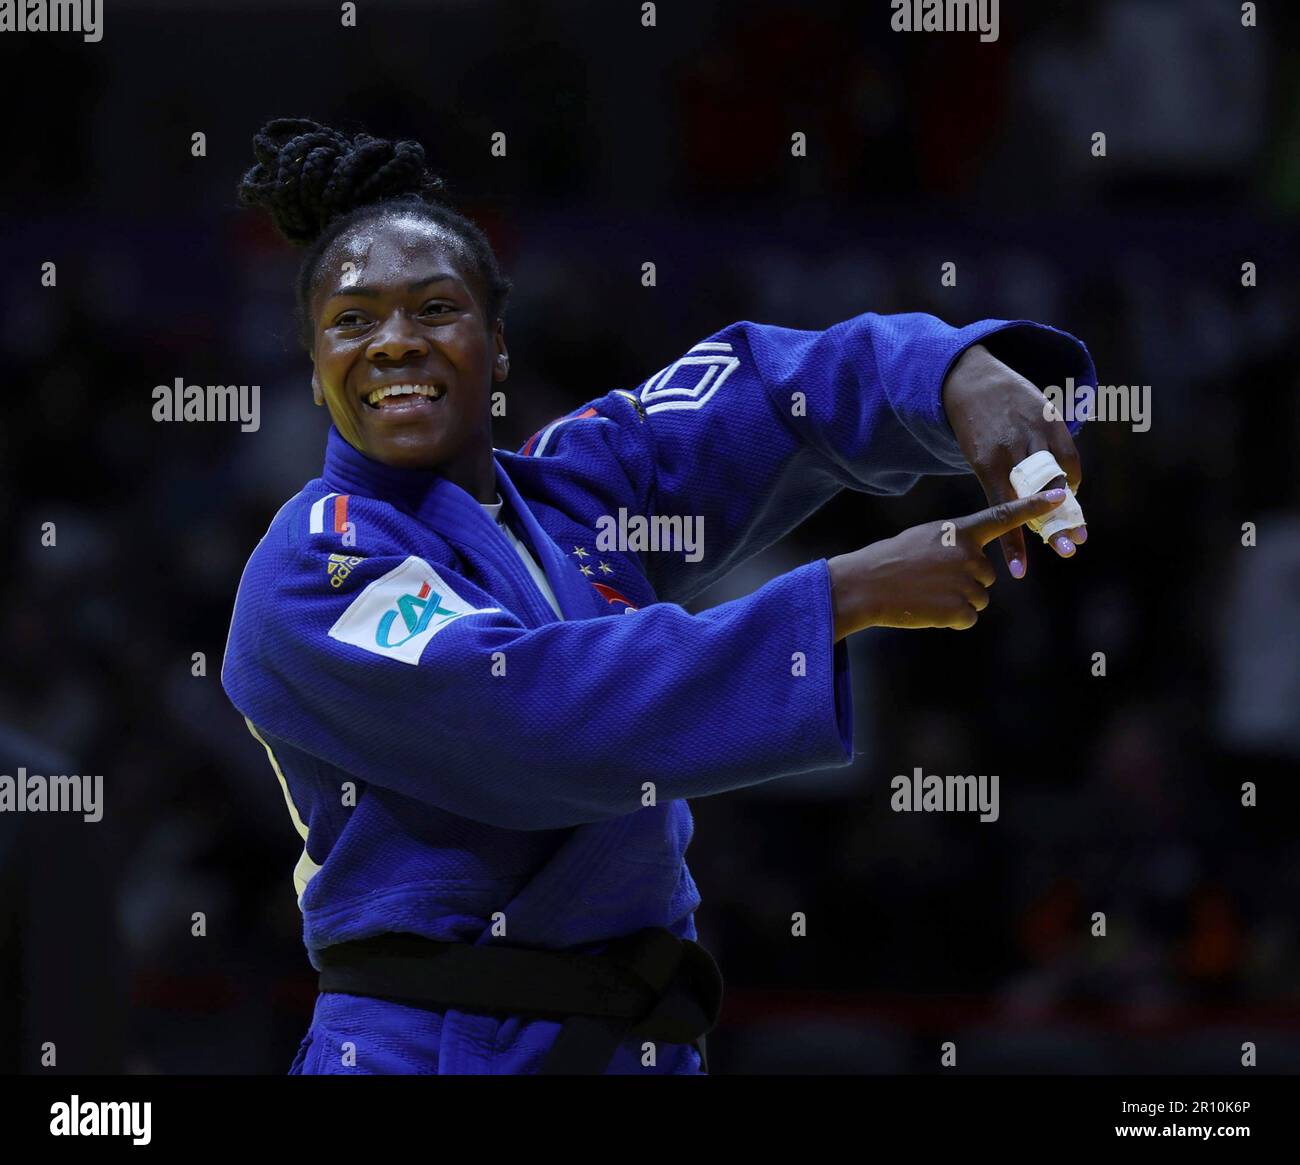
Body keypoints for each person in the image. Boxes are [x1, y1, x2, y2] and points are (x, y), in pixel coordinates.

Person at [221, 117, 1093, 1075]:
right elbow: (537, 714)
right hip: (428, 1049)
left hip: (630, 1045)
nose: (394, 343)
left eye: (434, 308)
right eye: (353, 320)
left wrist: (953, 374)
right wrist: (842, 595)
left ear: (498, 346)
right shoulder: (314, 567)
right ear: (313, 368)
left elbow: (767, 396)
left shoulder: (576, 492)